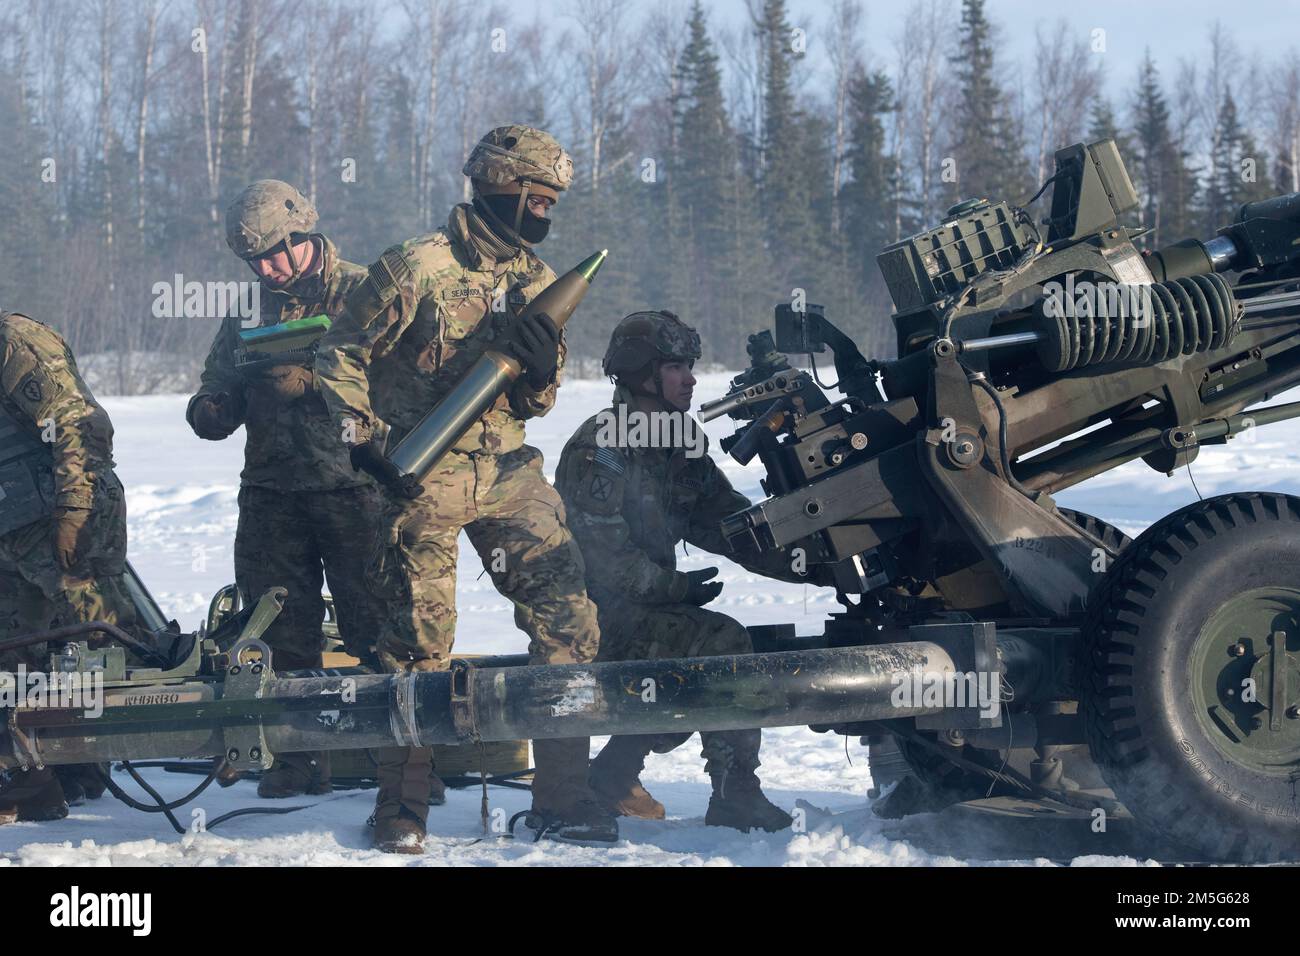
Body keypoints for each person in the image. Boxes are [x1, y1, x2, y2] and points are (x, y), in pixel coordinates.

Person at [315, 126, 615, 852]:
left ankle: (564, 794)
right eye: (536, 199)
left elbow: (536, 403)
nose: (545, 214)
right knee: (417, 642)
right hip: (423, 473)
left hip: (508, 469)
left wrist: (542, 375)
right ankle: (403, 804)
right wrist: (362, 439)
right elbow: (341, 349)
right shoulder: (415, 266)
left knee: (568, 618)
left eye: (552, 203)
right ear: (499, 189)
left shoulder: (539, 280)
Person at [556, 310, 825, 831]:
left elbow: (726, 523)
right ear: (641, 374)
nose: (691, 378)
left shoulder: (680, 442)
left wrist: (813, 560)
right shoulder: (603, 447)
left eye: (690, 366)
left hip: (640, 608)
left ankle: (614, 775)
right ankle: (735, 795)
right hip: (589, 619)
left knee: (683, 641)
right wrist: (673, 587)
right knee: (720, 641)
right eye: (676, 366)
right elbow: (605, 559)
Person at [187, 180, 395, 800]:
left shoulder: (365, 293)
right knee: (278, 631)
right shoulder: (250, 309)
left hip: (357, 489)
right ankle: (298, 757)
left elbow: (406, 387)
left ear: (306, 231)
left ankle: (402, 765)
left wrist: (318, 385)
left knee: (379, 628)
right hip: (273, 494)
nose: (269, 269)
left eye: (278, 253)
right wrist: (212, 406)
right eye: (256, 261)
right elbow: (214, 379)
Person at [0, 309, 140, 822]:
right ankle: (37, 781)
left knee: (105, 644)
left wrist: (76, 510)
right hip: (10, 532)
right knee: (16, 659)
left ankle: (87, 764)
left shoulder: (14, 341)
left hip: (57, 520)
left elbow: (80, 421)